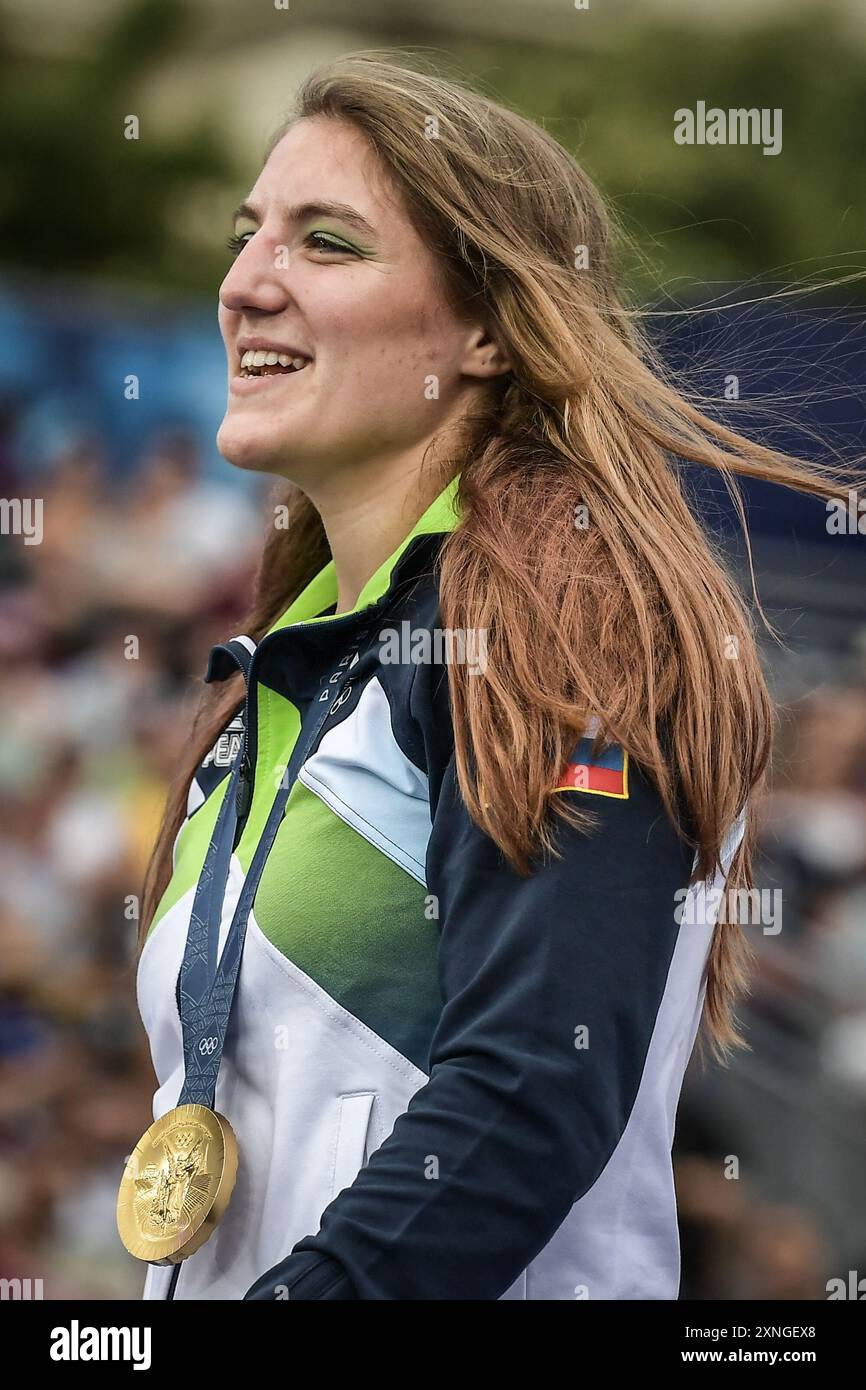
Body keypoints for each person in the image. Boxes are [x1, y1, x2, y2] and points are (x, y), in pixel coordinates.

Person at [131, 52, 853, 1300]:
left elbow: (529, 1086)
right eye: (250, 236)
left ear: (482, 328)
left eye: (327, 243)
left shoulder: (560, 620)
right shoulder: (274, 683)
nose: (245, 284)